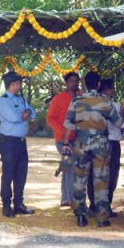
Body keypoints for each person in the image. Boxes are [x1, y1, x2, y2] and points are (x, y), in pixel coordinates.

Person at [63, 71, 124, 228]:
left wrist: (65, 145)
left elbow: (69, 125)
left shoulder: (77, 101)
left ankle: (81, 216)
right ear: (98, 84)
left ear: (84, 84)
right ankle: (102, 218)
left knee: (80, 180)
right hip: (101, 144)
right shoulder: (105, 101)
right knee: (101, 180)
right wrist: (123, 112)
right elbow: (118, 123)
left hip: (81, 145)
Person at [0, 71, 37, 218]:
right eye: (19, 83)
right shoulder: (3, 101)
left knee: (21, 173)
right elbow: (15, 117)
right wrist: (25, 113)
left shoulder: (20, 99)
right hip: (9, 142)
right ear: (12, 84)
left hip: (21, 142)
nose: (20, 85)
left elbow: (32, 113)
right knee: (8, 174)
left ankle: (19, 204)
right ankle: (6, 205)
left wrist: (27, 113)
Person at [46, 72, 80, 207]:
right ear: (66, 83)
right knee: (70, 163)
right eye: (71, 81)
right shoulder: (58, 99)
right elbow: (50, 118)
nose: (74, 83)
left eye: (76, 81)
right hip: (62, 140)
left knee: (68, 166)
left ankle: (66, 198)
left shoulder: (81, 97)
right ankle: (70, 199)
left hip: (77, 139)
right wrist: (62, 131)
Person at [99, 78, 124, 216]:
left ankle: (95, 205)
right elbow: (123, 128)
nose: (114, 91)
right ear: (108, 90)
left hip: (97, 144)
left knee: (97, 175)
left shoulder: (93, 104)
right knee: (111, 176)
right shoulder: (116, 106)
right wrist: (122, 112)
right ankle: (106, 207)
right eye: (112, 88)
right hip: (113, 144)